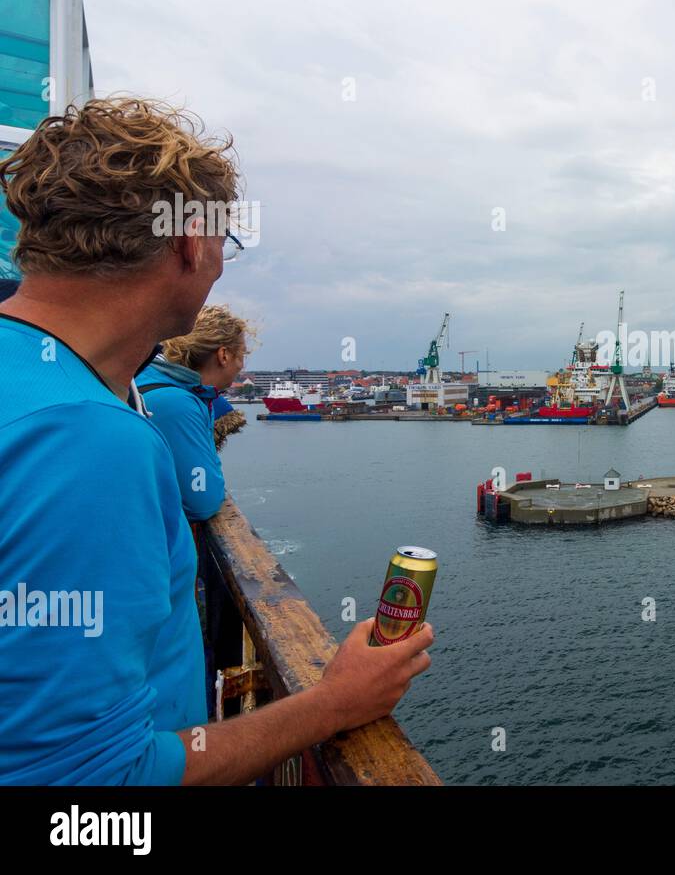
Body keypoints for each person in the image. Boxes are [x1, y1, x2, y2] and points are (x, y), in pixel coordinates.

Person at [0, 98, 432, 785]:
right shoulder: (83, 441)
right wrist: (334, 703)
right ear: (190, 244)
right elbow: (89, 790)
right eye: (225, 244)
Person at [137, 304, 253, 521]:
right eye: (242, 354)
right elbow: (202, 501)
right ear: (224, 355)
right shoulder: (178, 403)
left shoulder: (150, 380)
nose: (242, 365)